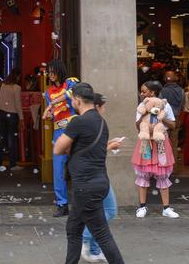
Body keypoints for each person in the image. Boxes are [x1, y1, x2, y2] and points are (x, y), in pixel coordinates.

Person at [53, 82, 124, 264]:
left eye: (72, 100)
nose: (72, 103)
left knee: (102, 234)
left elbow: (58, 149)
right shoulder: (101, 122)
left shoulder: (78, 122)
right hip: (97, 181)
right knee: (73, 229)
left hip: (85, 185)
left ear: (77, 100)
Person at [81, 92, 123, 263]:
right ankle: (85, 237)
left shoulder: (90, 123)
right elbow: (87, 151)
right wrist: (110, 146)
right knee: (110, 210)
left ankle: (94, 250)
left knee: (101, 212)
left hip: (94, 175)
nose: (104, 109)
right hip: (94, 176)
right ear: (96, 106)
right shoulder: (93, 123)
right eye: (102, 106)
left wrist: (109, 144)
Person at [132, 80, 180, 219]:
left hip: (160, 142)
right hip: (146, 142)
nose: (141, 94)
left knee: (163, 173)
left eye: (144, 91)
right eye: (141, 91)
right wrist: (144, 114)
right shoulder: (142, 105)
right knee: (143, 174)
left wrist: (160, 116)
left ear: (152, 92)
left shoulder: (165, 105)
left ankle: (166, 208)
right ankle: (142, 206)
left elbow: (173, 125)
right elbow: (137, 126)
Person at [43, 60, 75, 217]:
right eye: (48, 72)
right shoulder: (48, 92)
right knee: (58, 169)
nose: (49, 75)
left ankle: (85, 201)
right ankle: (62, 204)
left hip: (74, 129)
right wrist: (49, 115)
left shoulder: (71, 82)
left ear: (59, 71)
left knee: (80, 166)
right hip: (58, 130)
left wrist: (52, 104)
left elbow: (72, 93)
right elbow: (52, 114)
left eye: (52, 71)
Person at [0, 69, 24, 171]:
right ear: (17, 76)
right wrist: (21, 118)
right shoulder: (16, 88)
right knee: (11, 139)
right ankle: (12, 164)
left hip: (0, 114)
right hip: (12, 115)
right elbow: (18, 104)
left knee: (1, 138)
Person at [159, 71, 185, 154]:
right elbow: (183, 106)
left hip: (164, 119)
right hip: (176, 118)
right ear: (175, 78)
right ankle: (173, 161)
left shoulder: (162, 91)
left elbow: (159, 106)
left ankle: (165, 160)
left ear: (165, 79)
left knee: (163, 141)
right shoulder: (181, 91)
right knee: (174, 142)